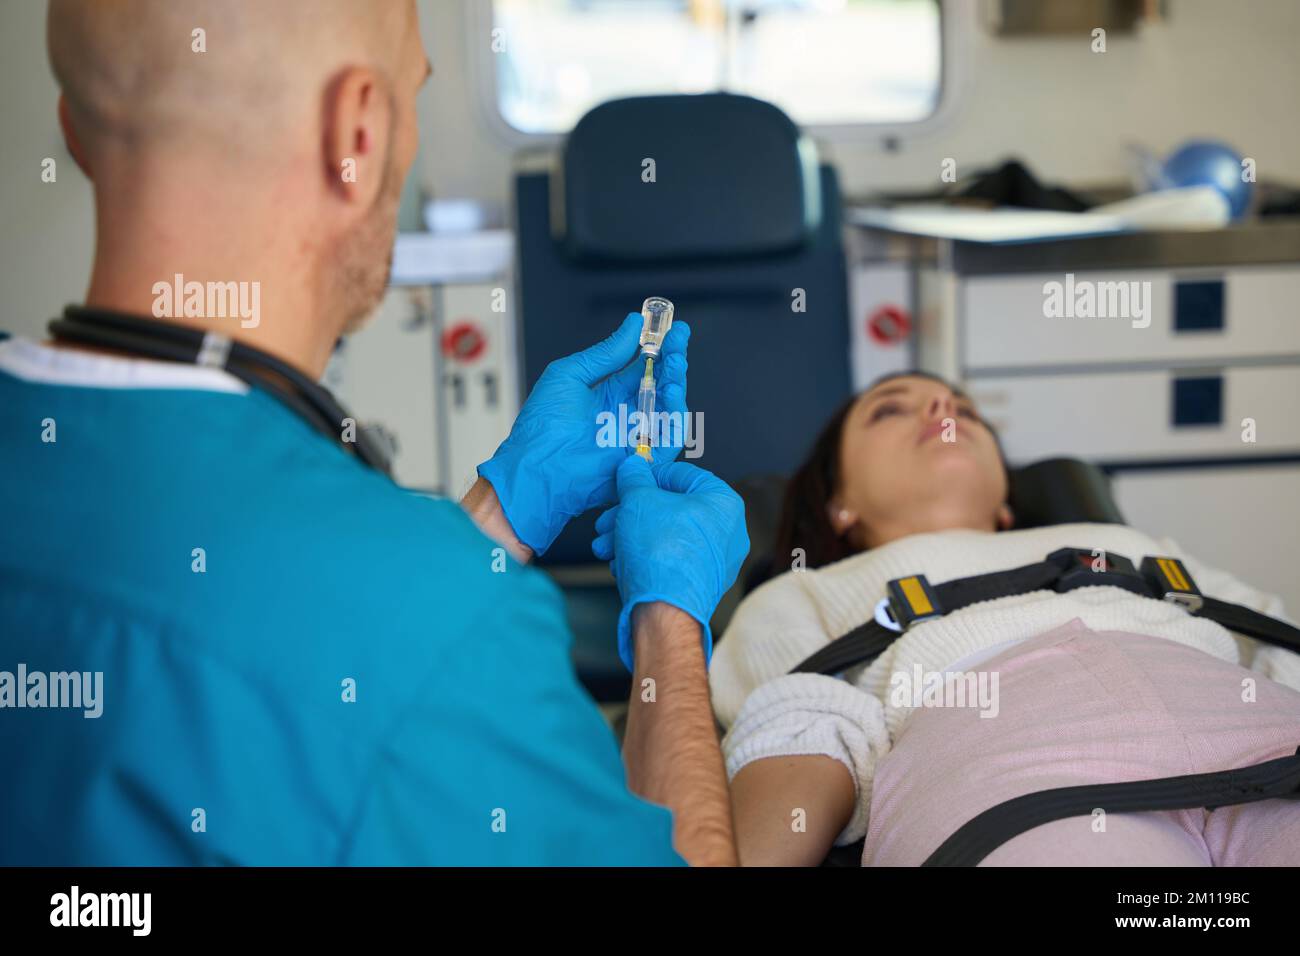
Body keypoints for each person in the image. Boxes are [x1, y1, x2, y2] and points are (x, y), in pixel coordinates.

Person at [0, 0, 747, 866]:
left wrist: (501, 510)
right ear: (357, 131)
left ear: (78, 132)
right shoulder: (454, 639)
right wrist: (670, 617)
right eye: (414, 94)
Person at [711, 372, 1300, 866]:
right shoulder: (802, 592)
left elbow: (1278, 644)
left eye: (963, 408)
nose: (943, 408)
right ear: (838, 503)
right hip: (1023, 772)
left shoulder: (1131, 543)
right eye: (890, 409)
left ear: (1005, 501)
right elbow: (796, 727)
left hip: (1260, 736)